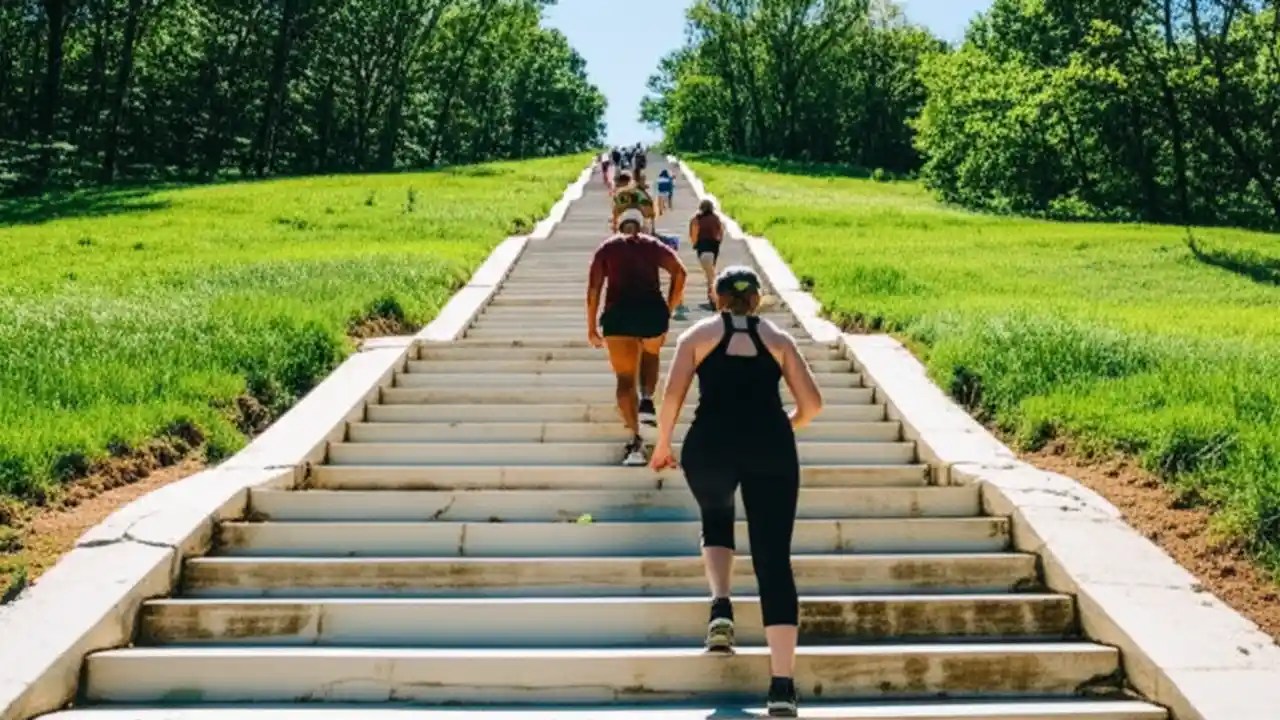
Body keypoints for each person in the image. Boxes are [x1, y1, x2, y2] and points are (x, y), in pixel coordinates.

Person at [649, 266, 823, 718]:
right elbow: (813, 406)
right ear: (758, 298)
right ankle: (782, 686)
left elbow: (672, 398)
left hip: (711, 445)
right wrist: (784, 425)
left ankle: (721, 609)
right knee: (773, 559)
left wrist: (663, 445)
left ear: (718, 295)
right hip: (771, 449)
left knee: (716, 515)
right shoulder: (780, 340)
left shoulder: (699, 335)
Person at [587, 208, 688, 465]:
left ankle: (636, 441)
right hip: (652, 313)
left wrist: (591, 326)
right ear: (641, 227)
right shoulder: (652, 245)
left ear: (617, 226)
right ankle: (646, 399)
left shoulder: (606, 248)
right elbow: (680, 271)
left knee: (624, 379)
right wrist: (669, 307)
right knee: (651, 354)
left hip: (618, 316)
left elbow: (594, 287)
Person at [689, 199, 725, 311]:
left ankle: (714, 299)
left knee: (710, 276)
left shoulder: (696, 219)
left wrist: (695, 244)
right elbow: (720, 233)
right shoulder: (716, 218)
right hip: (714, 248)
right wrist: (718, 242)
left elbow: (694, 233)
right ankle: (712, 298)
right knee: (710, 274)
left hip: (703, 249)